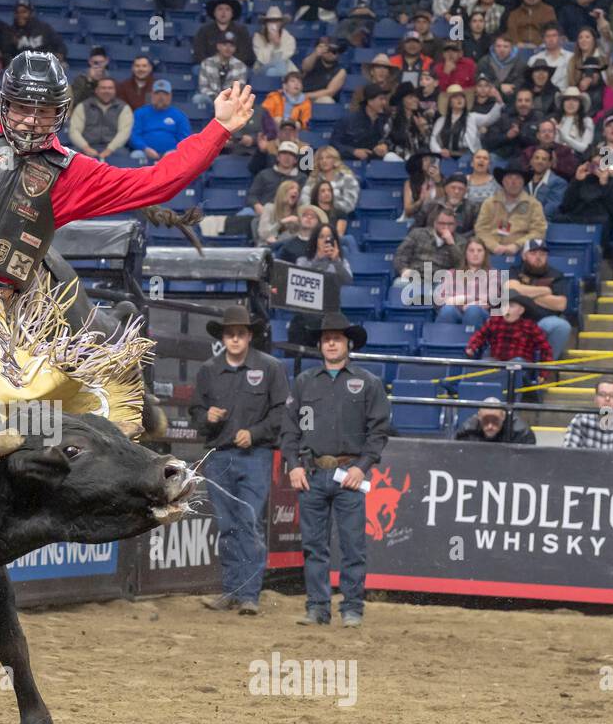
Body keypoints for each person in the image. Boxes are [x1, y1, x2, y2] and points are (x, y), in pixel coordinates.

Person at [0, 56, 255, 346]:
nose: (31, 119)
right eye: (23, 108)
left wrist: (217, 129)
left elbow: (158, 182)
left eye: (44, 112)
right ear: (5, 104)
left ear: (60, 114)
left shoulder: (72, 172)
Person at [281, 312, 390, 628]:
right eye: (326, 338)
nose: (331, 342)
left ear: (348, 344)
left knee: (352, 545)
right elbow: (292, 429)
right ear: (320, 344)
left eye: (337, 338)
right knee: (314, 546)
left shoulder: (368, 383)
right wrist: (293, 465)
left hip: (349, 477)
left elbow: (378, 430)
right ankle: (317, 607)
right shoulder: (304, 384)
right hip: (311, 475)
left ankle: (352, 608)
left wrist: (363, 467)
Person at [191, 305, 289, 616]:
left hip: (255, 456)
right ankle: (232, 591)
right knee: (228, 525)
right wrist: (206, 416)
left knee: (248, 523)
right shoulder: (208, 370)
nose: (234, 339)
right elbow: (195, 411)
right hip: (219, 457)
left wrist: (256, 432)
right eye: (229, 334)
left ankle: (249, 594)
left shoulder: (271, 368)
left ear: (249, 336)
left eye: (240, 334)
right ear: (223, 337)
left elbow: (280, 414)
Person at [464, 295, 555, 397]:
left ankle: (512, 402)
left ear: (521, 311)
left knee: (516, 363)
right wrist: (472, 346)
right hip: (497, 362)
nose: (506, 308)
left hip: (521, 367)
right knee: (486, 363)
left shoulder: (530, 326)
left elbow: (546, 350)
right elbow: (480, 335)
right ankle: (482, 397)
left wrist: (544, 373)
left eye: (511, 306)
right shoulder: (495, 321)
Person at [508, 236, 574, 357]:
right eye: (533, 253)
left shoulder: (556, 275)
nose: (538, 257)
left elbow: (561, 304)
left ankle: (546, 369)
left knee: (562, 326)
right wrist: (545, 290)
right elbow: (511, 288)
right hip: (517, 319)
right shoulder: (515, 271)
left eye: (542, 254)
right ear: (524, 256)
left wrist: (524, 293)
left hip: (543, 321)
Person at [474, 164, 548, 255]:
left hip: (522, 254)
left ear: (523, 182)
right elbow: (481, 229)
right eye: (509, 178)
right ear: (503, 182)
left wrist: (517, 245)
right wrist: (494, 246)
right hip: (490, 253)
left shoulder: (534, 205)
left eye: (517, 178)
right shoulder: (489, 203)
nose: (513, 182)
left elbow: (539, 231)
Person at [436, 237, 501, 325]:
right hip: (455, 312)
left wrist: (458, 300)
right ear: (465, 253)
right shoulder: (451, 273)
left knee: (473, 310)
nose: (475, 254)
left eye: (479, 250)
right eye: (471, 250)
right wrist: (468, 300)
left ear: (485, 254)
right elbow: (441, 300)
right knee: (448, 310)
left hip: (481, 315)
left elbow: (492, 299)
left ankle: (474, 339)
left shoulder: (493, 274)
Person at [393, 207, 465, 284]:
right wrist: (404, 270)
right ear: (435, 223)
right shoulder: (418, 234)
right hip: (414, 276)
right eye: (442, 223)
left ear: (456, 225)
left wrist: (451, 244)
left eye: (450, 224)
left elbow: (461, 265)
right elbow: (400, 255)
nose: (446, 227)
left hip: (440, 281)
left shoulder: (460, 242)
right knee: (398, 283)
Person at [68, 77, 133, 160]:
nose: (106, 91)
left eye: (110, 88)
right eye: (103, 88)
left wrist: (109, 150)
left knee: (124, 159)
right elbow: (74, 131)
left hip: (115, 149)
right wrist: (86, 148)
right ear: (96, 90)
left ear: (115, 91)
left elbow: (124, 132)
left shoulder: (124, 107)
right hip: (85, 147)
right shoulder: (83, 106)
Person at [129, 80, 191, 164]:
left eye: (165, 94)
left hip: (172, 154)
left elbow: (185, 139)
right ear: (152, 95)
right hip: (145, 153)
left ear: (170, 96)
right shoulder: (140, 113)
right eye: (157, 93)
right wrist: (145, 148)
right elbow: (134, 135)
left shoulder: (179, 115)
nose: (161, 97)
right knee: (136, 155)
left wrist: (173, 151)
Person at [331, 83, 394, 161]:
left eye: (385, 99)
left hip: (376, 163)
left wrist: (385, 145)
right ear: (370, 101)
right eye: (381, 99)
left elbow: (391, 139)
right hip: (350, 161)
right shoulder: (348, 120)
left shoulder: (386, 120)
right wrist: (353, 151)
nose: (384, 103)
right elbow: (334, 143)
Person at [193, 0, 255, 65]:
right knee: (197, 70)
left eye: (227, 9)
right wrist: (213, 64)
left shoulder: (241, 30)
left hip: (234, 66)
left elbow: (246, 53)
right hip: (209, 66)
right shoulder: (204, 30)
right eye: (220, 9)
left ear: (232, 14)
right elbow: (199, 53)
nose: (223, 12)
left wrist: (228, 63)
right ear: (214, 13)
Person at [247, 140, 304, 215]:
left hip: (289, 212)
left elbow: (303, 200)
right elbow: (252, 195)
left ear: (295, 160)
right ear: (278, 157)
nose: (287, 157)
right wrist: (257, 206)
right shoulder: (264, 174)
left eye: (291, 154)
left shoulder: (302, 178)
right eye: (284, 153)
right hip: (263, 210)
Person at [195, 33, 250, 109]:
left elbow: (239, 88)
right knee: (198, 98)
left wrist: (225, 97)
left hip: (230, 100)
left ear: (235, 48)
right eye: (225, 45)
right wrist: (215, 97)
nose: (228, 48)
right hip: (211, 98)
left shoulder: (241, 66)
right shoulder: (206, 63)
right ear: (218, 46)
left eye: (232, 46)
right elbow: (203, 87)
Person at [300, 145, 361, 213]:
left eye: (328, 158)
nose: (324, 161)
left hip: (339, 217)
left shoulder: (348, 179)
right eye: (321, 158)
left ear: (335, 160)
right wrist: (317, 211)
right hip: (316, 216)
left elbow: (349, 204)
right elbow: (304, 199)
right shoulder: (313, 179)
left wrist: (326, 207)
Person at [453, 399, 538, 443]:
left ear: (503, 417)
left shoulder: (521, 433)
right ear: (478, 417)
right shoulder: (467, 431)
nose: (490, 426)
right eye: (485, 420)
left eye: (495, 421)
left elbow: (527, 463)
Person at [433, 84, 481, 156]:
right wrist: (439, 150)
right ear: (449, 102)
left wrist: (499, 103)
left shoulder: (472, 117)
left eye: (462, 97)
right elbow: (433, 139)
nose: (459, 99)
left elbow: (490, 117)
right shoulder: (441, 120)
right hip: (446, 155)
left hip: (467, 155)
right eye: (455, 97)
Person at [477, 34, 527, 102]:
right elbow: (480, 80)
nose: (502, 49)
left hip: (512, 99)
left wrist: (513, 87)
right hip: (488, 98)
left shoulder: (520, 64)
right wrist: (499, 86)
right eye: (498, 46)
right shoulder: (484, 62)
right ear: (494, 47)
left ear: (511, 48)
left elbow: (522, 82)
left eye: (505, 46)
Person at [299, 37, 348, 104]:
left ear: (338, 54)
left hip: (317, 98)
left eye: (334, 52)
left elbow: (330, 92)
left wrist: (304, 96)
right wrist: (315, 54)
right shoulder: (313, 60)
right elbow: (305, 68)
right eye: (328, 50)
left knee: (327, 100)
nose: (330, 53)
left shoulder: (340, 71)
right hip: (301, 94)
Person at [253, 6, 298, 78]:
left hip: (283, 68)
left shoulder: (289, 38)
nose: (273, 24)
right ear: (266, 23)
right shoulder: (258, 37)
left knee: (273, 71)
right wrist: (271, 43)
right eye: (270, 21)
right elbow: (263, 60)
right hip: (262, 68)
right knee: (273, 71)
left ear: (281, 23)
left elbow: (283, 59)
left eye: (276, 21)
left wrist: (277, 44)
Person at [254, 179, 301, 245]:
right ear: (283, 192)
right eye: (291, 188)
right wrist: (282, 222)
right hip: (268, 246)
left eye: (298, 190)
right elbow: (264, 234)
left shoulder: (299, 211)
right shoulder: (269, 208)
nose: (296, 191)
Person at [525, 145, 568, 217]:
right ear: (531, 161)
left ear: (549, 163)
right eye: (536, 158)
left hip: (545, 223)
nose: (539, 161)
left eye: (544, 159)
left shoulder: (559, 183)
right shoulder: (522, 180)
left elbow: (551, 208)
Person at [403, 150, 442, 221]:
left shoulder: (440, 179)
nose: (430, 162)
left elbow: (443, 201)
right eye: (426, 160)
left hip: (436, 218)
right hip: (415, 219)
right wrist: (421, 201)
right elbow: (407, 211)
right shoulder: (410, 183)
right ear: (418, 163)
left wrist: (438, 182)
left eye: (432, 160)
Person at [556, 86, 596, 155]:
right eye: (567, 99)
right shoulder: (556, 120)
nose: (571, 103)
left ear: (580, 104)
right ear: (563, 103)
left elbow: (585, 148)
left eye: (575, 100)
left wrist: (566, 138)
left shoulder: (587, 121)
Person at [533, 23, 573, 90]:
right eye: (547, 36)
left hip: (565, 96)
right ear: (543, 39)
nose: (551, 39)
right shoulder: (534, 59)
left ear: (560, 38)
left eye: (554, 35)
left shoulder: (571, 57)